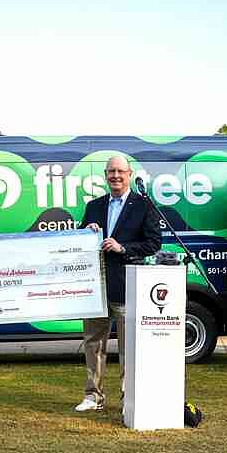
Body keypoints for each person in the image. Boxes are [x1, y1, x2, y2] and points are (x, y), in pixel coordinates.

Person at [74, 156, 161, 412]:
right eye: (111, 171)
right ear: (105, 174)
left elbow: (153, 243)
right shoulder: (94, 206)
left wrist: (122, 248)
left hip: (127, 286)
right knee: (93, 344)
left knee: (129, 348)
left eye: (120, 171)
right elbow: (79, 242)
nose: (115, 175)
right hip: (96, 288)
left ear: (129, 173)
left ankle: (129, 398)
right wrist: (85, 232)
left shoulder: (144, 205)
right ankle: (93, 396)